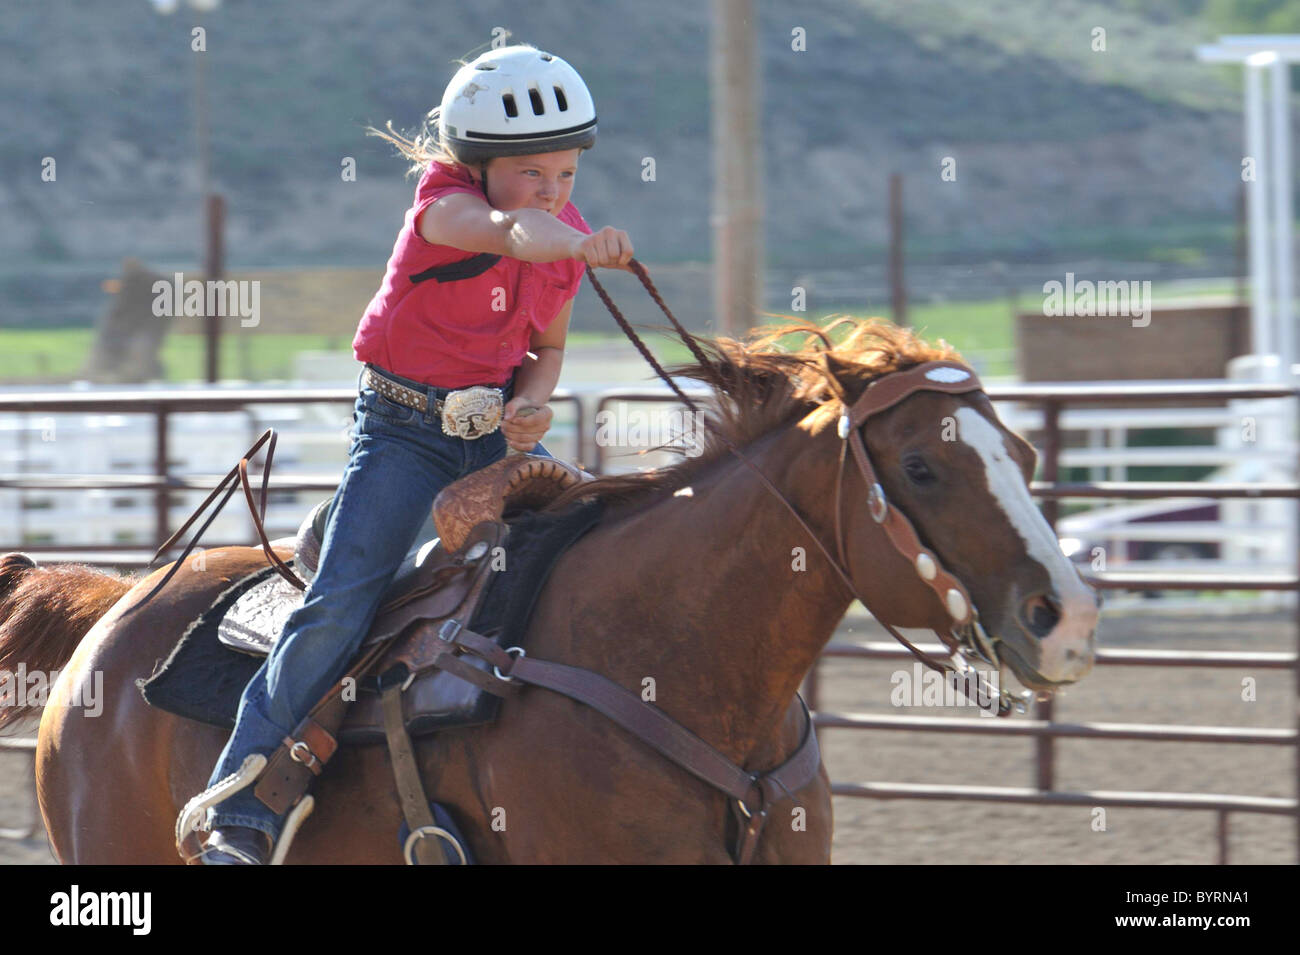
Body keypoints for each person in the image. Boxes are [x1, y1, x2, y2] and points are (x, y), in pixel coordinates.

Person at [196, 43, 633, 864]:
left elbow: (546, 347)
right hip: (403, 437)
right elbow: (511, 231)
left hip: (491, 440)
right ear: (478, 164)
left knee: (564, 582)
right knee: (341, 602)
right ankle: (239, 804)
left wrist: (533, 403)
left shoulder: (562, 237)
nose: (553, 191)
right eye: (532, 172)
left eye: (566, 174)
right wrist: (571, 241)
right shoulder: (445, 209)